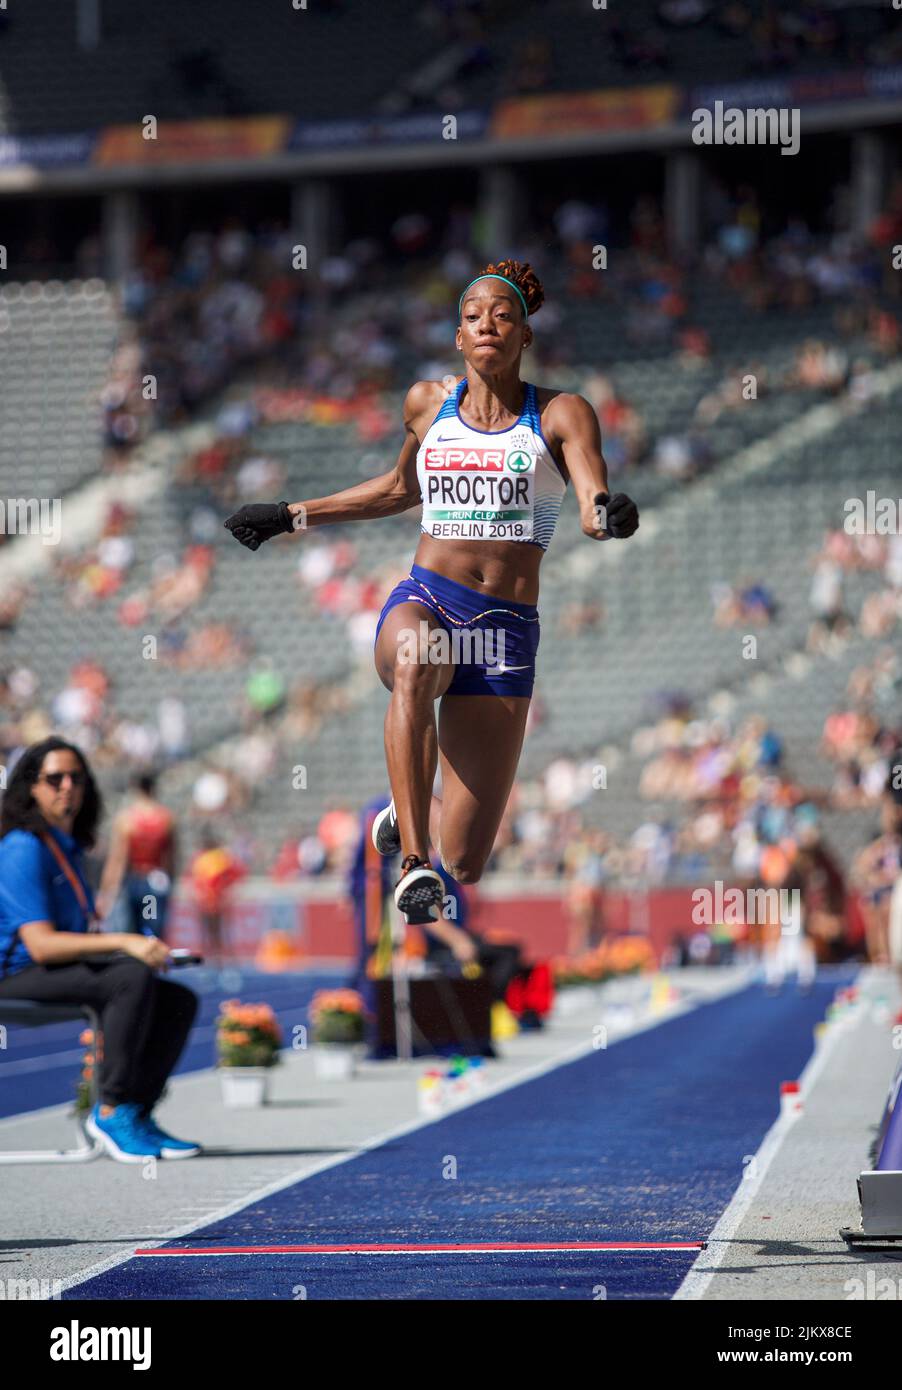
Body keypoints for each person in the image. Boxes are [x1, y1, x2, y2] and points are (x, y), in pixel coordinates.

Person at [224, 258, 639, 921]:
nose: (488, 326)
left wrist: (608, 516)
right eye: (473, 316)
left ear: (525, 337)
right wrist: (289, 515)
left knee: (469, 860)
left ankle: (411, 807)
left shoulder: (560, 412)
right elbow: (397, 490)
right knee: (416, 659)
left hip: (503, 632)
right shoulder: (428, 404)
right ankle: (414, 865)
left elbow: (591, 497)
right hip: (430, 601)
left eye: (504, 316)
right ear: (456, 336)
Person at [0, 737, 200, 1162]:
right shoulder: (23, 847)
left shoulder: (68, 846)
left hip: (46, 967)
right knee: (130, 975)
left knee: (177, 999)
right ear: (31, 788)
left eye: (76, 777)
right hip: (12, 974)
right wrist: (126, 941)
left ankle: (136, 1112)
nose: (67, 786)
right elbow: (41, 946)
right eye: (54, 778)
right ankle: (110, 1109)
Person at [95, 770, 177, 938]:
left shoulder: (127, 819)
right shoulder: (166, 818)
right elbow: (171, 858)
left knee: (132, 931)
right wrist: (170, 881)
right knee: (151, 930)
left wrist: (107, 890)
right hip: (155, 881)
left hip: (134, 880)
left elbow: (117, 859)